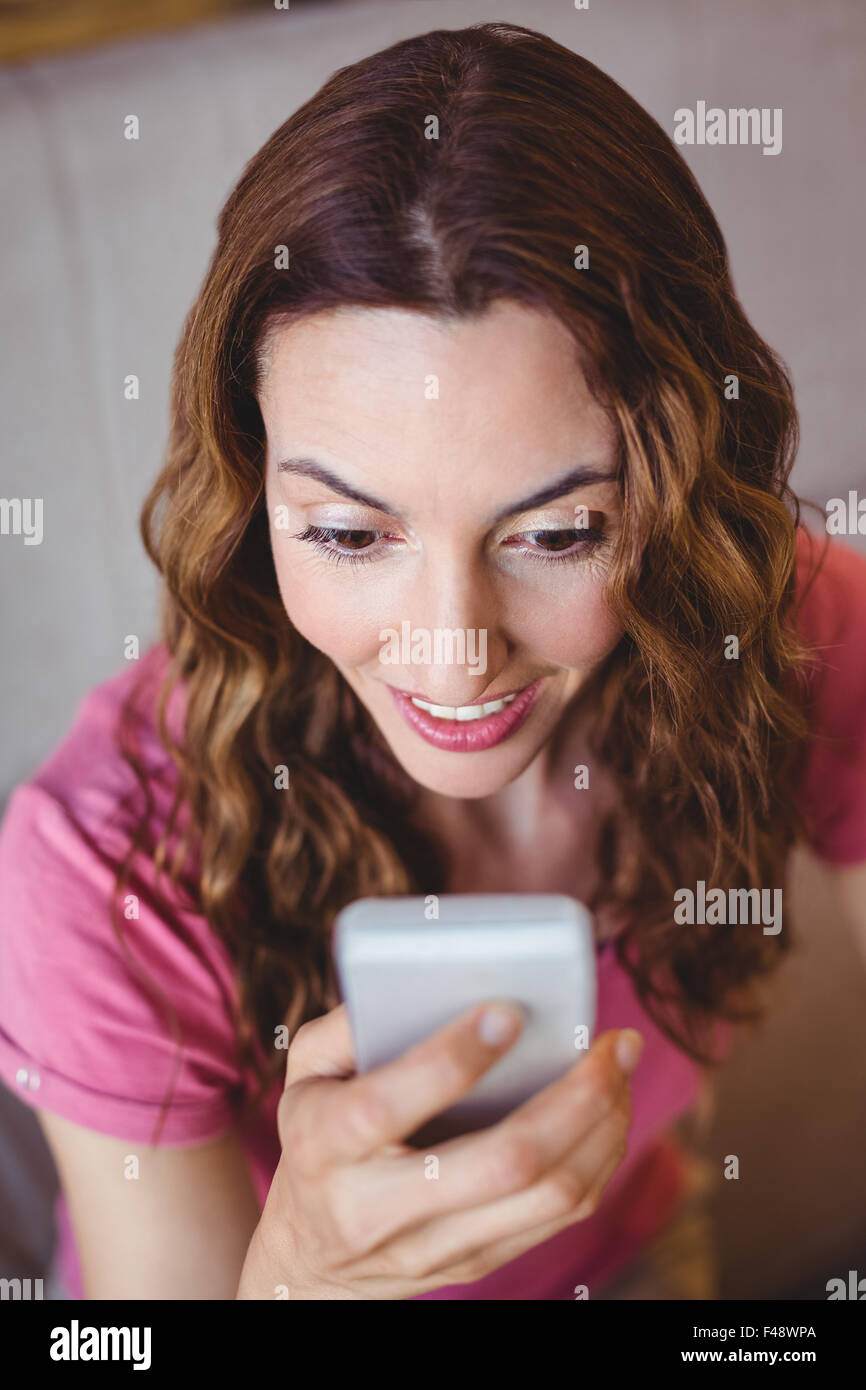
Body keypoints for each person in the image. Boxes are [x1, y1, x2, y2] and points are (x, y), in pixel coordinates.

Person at [1, 21, 864, 1301]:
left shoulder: (777, 627)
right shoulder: (101, 860)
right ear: (252, 492)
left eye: (560, 532)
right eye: (350, 534)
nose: (452, 650)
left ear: (674, 495)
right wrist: (294, 1281)